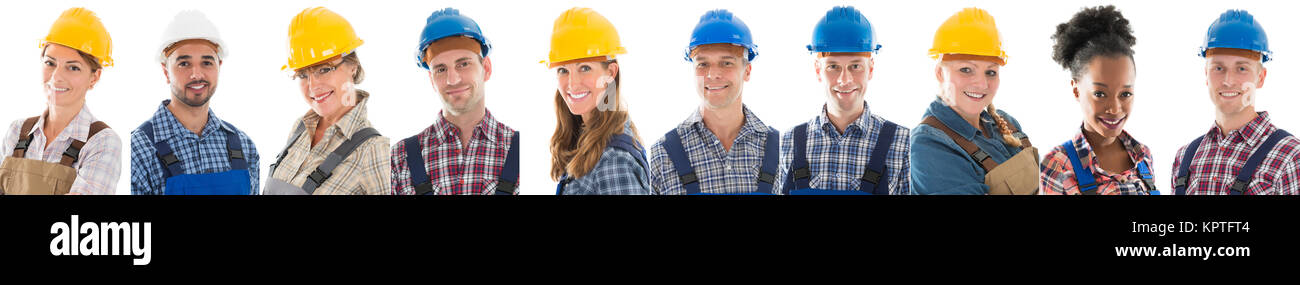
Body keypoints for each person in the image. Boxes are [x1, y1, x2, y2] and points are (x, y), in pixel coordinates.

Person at [774, 6, 910, 195]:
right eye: (833, 67)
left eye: (855, 66)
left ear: (870, 69)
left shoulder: (903, 143)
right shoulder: (788, 143)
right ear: (817, 70)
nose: (844, 80)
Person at [649, 9, 780, 195]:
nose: (712, 74)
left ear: (747, 71)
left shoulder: (781, 151)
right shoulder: (662, 156)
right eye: (703, 64)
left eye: (726, 63)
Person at [909, 7, 1039, 195]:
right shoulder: (928, 145)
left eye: (991, 72)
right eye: (966, 70)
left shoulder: (1006, 123)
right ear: (940, 73)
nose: (981, 83)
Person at [391, 8, 519, 195]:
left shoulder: (522, 152)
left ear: (486, 68)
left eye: (463, 64)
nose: (453, 79)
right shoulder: (400, 159)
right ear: (431, 79)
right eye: (441, 69)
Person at [263, 7, 391, 195]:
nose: (313, 86)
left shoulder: (375, 151)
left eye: (324, 69)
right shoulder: (300, 129)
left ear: (353, 66)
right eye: (303, 74)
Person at [130, 10, 260, 195]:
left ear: (218, 67)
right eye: (184, 64)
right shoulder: (138, 150)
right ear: (166, 72)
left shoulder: (245, 146)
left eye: (207, 63)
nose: (197, 74)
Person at [1172, 10, 1300, 195]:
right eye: (1218, 68)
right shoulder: (1185, 157)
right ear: (1206, 75)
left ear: (1261, 77)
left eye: (1241, 68)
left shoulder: (1290, 157)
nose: (1228, 80)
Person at [0, 7, 122, 195]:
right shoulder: (17, 132)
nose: (56, 77)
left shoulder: (101, 143)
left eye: (72, 68)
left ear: (94, 77)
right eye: (50, 63)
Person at [1039, 6, 1157, 195]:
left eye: (1125, 94)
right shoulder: (1058, 165)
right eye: (1100, 94)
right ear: (1076, 90)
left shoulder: (1143, 156)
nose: (1114, 108)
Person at [547, 7, 651, 195]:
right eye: (563, 70)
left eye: (585, 68)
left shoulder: (615, 160)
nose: (572, 83)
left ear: (610, 73)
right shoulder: (586, 138)